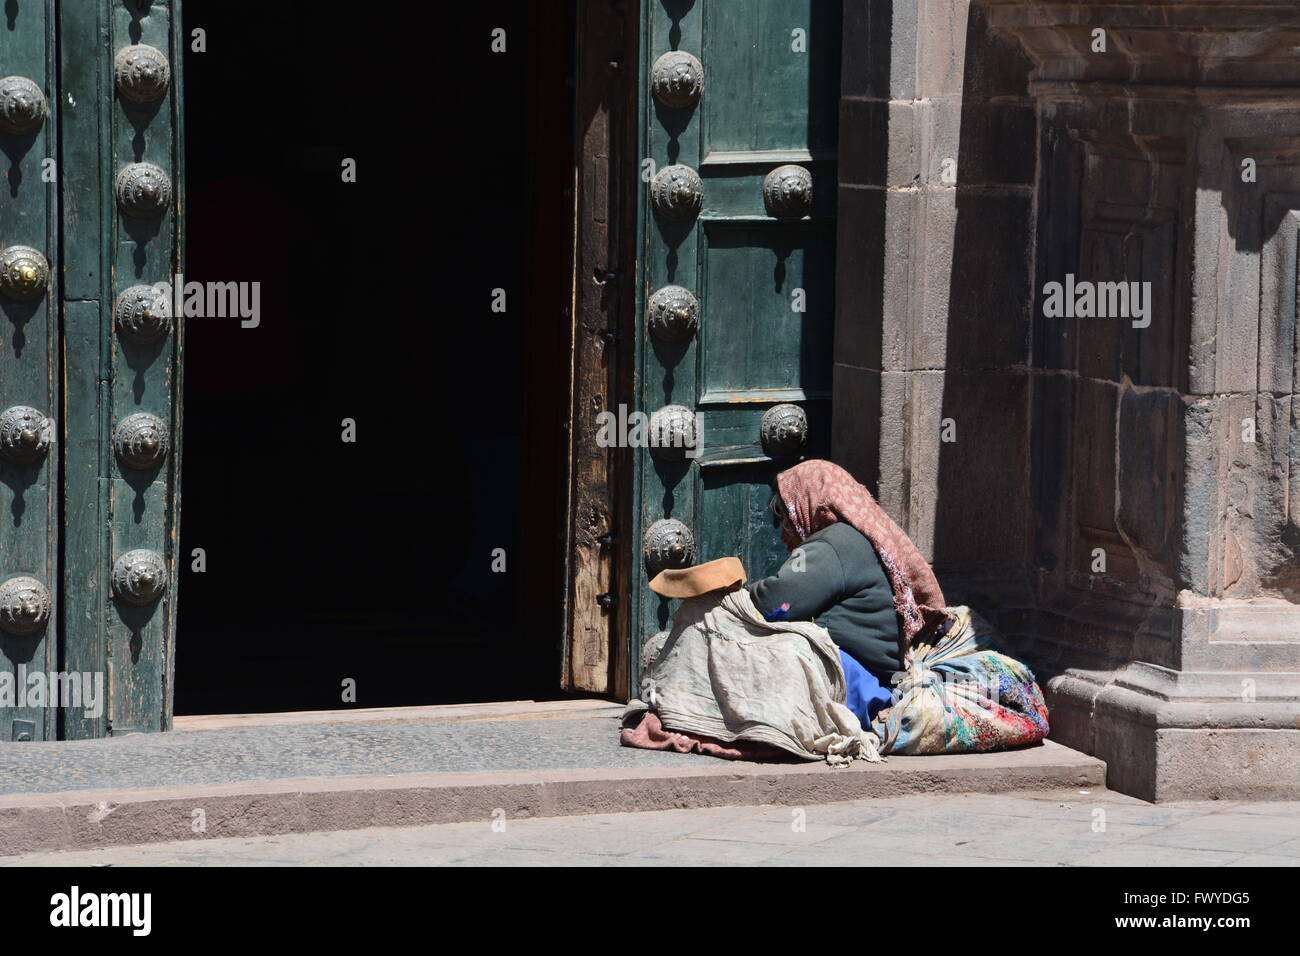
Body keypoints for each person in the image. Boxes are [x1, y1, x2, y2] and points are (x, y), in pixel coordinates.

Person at [747, 459, 947, 726]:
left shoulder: (834, 543)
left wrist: (733, 596)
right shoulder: (855, 538)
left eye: (785, 520)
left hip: (858, 685)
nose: (784, 536)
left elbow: (777, 603)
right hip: (874, 682)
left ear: (811, 505)